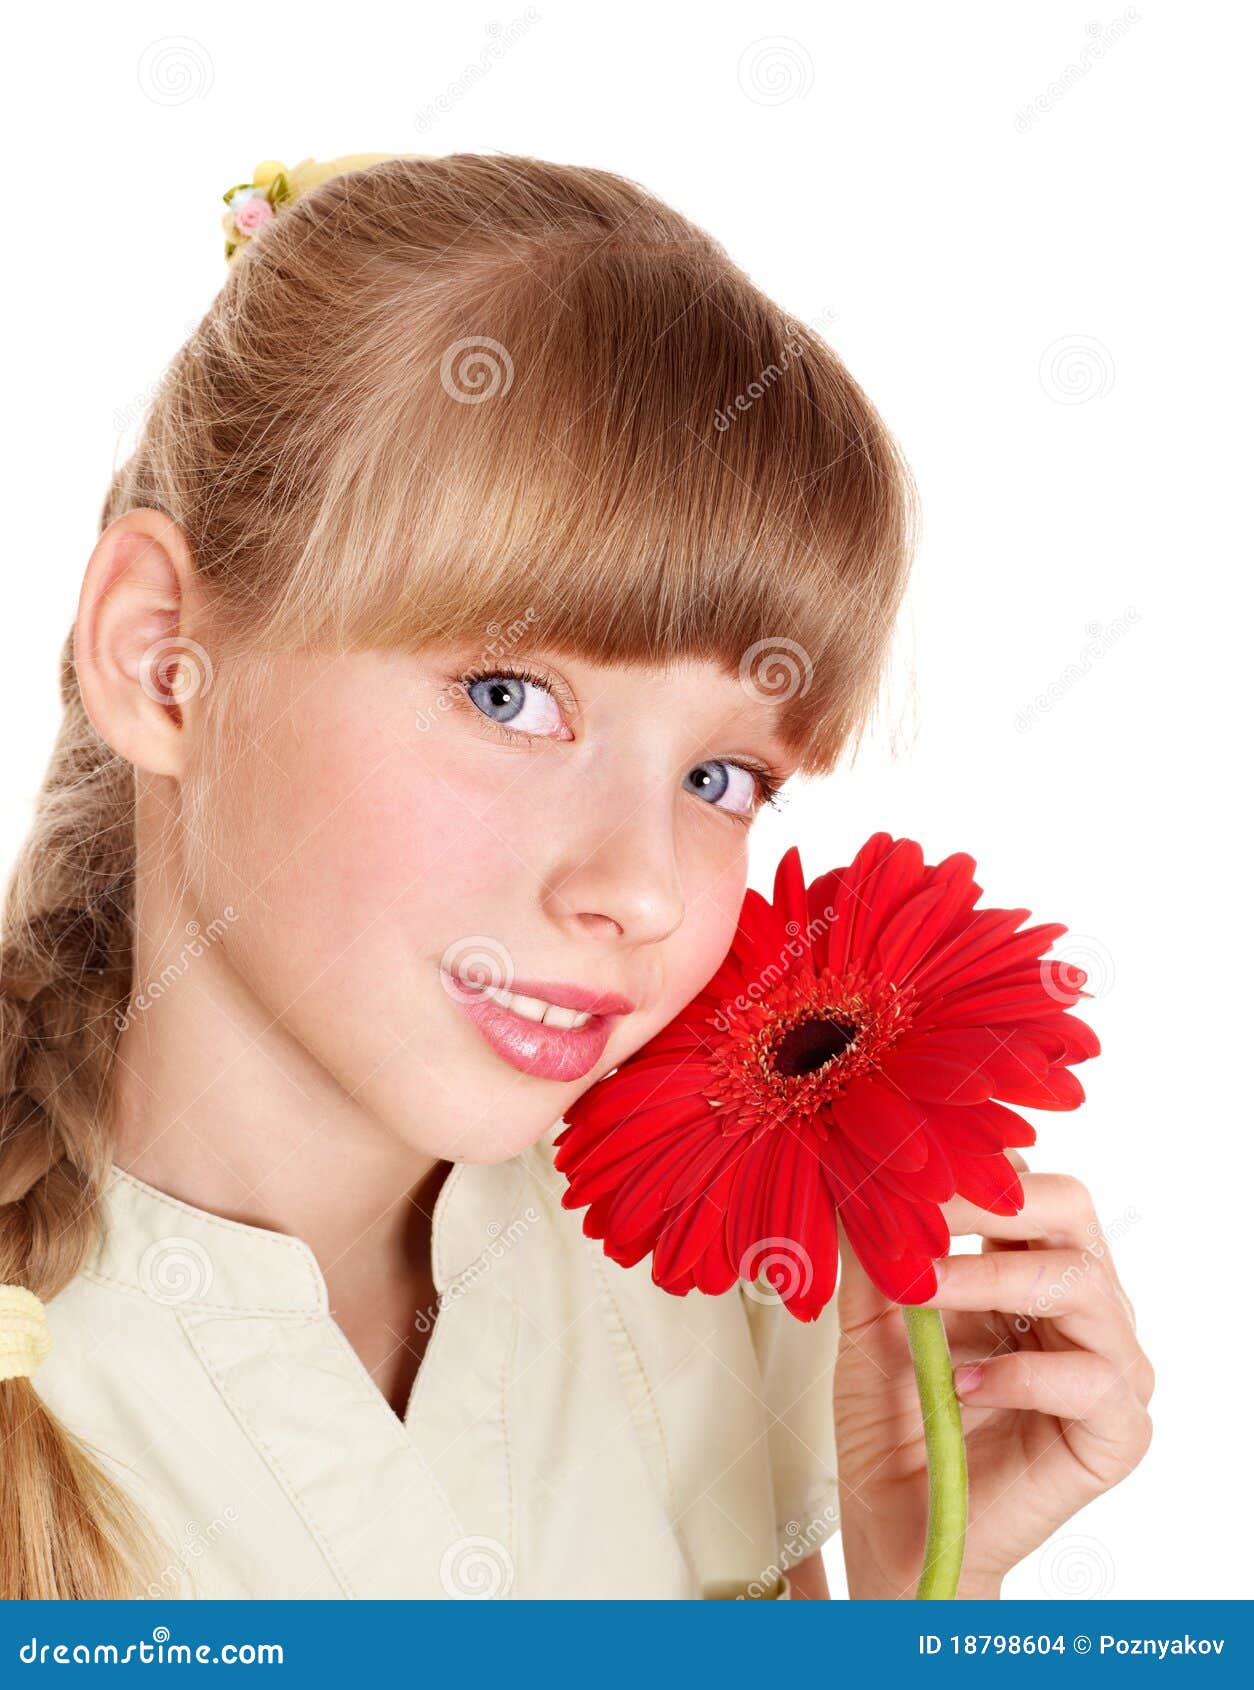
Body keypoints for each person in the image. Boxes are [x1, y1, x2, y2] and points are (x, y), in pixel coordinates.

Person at [0, 152, 1152, 1601]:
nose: (645, 890)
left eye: (720, 778)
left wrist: (933, 1586)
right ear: (161, 655)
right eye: (508, 696)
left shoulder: (701, 1272)